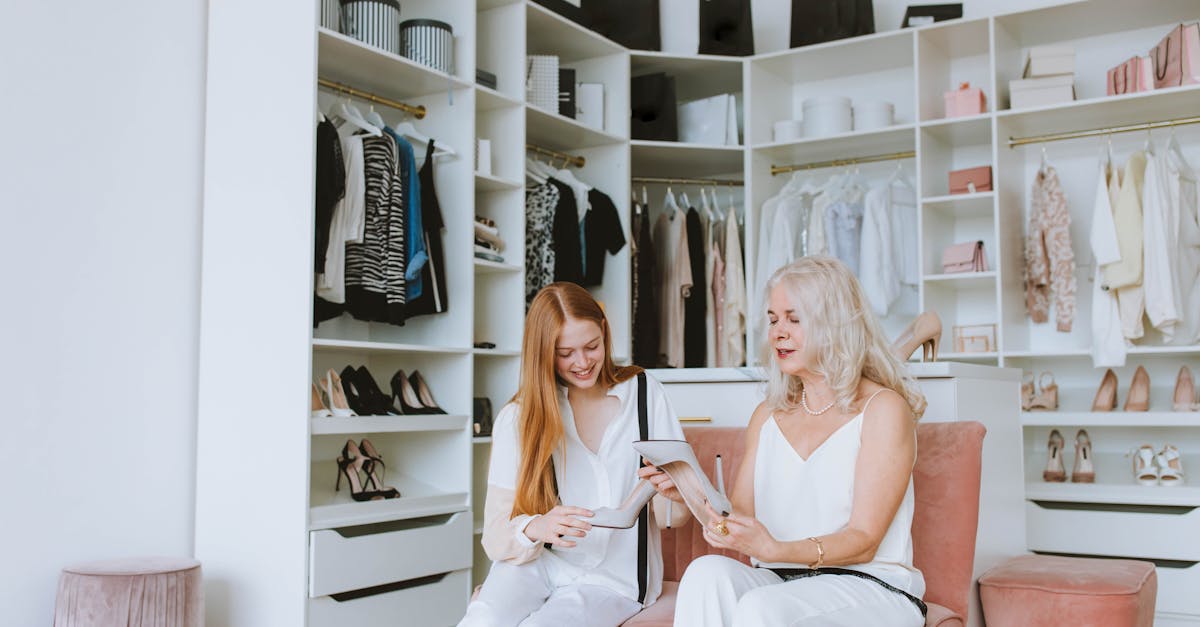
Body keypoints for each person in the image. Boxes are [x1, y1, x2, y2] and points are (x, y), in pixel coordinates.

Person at [672, 256, 929, 627]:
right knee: (705, 574)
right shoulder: (767, 416)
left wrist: (777, 549)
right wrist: (691, 495)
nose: (778, 332)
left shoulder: (883, 409)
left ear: (834, 325)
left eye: (794, 319)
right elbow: (741, 519)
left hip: (872, 587)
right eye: (774, 319)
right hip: (782, 581)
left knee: (763, 608)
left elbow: (865, 539)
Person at [459, 282, 690, 627]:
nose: (582, 363)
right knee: (482, 619)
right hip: (538, 563)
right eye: (565, 353)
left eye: (591, 346)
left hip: (616, 581)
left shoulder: (644, 394)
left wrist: (674, 492)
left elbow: (676, 517)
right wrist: (538, 526)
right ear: (543, 354)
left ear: (604, 334)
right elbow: (495, 537)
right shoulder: (519, 417)